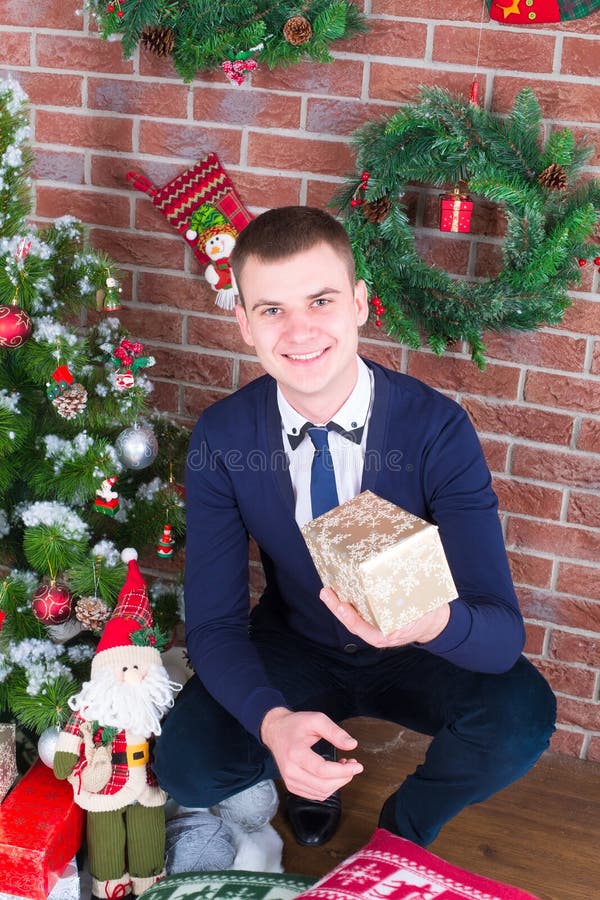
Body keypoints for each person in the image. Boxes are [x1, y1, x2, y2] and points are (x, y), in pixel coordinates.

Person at [154, 206, 556, 849]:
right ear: (244, 323)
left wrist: (429, 623)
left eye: (320, 300)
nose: (300, 330)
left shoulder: (436, 429)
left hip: (420, 645)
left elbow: (501, 637)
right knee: (187, 765)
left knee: (520, 718)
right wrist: (273, 722)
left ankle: (403, 829)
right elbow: (214, 626)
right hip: (298, 640)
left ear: (360, 304)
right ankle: (309, 763)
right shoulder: (224, 437)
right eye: (272, 309)